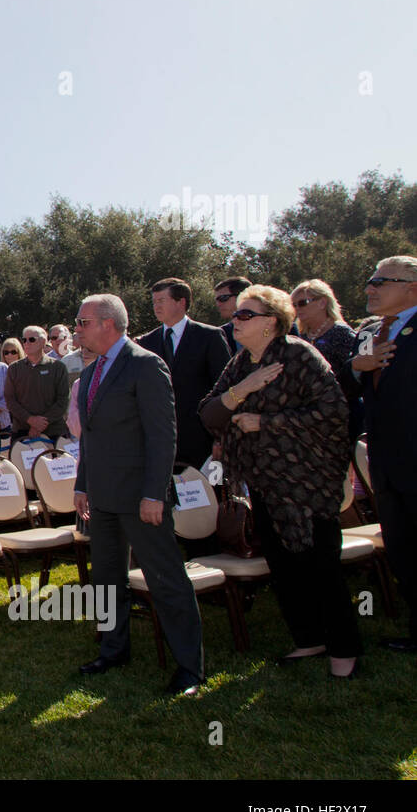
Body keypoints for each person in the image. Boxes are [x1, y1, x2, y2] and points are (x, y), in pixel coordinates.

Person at [200, 286, 359, 678]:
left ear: (271, 321)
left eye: (245, 315)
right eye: (235, 315)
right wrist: (244, 390)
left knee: (320, 565)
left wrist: (266, 423)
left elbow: (334, 411)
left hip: (307, 485)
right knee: (284, 565)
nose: (234, 321)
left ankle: (345, 649)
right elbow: (209, 413)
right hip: (263, 485)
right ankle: (308, 638)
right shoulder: (240, 364)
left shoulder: (299, 355)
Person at [72, 296, 205, 695]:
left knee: (165, 579)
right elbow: (90, 438)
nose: (77, 328)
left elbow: (163, 437)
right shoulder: (93, 371)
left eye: (83, 321)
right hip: (103, 498)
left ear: (108, 324)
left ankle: (190, 668)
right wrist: (82, 484)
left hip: (141, 498)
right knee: (108, 580)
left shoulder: (145, 365)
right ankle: (114, 650)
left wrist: (155, 495)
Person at [350, 256, 417, 654]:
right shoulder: (372, 331)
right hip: (388, 469)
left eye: (382, 281)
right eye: (370, 281)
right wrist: (357, 366)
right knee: (404, 551)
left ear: (412, 286)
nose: (371, 289)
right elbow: (348, 380)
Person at [137, 277, 232, 469]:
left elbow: (224, 389)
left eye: (161, 300)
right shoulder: (146, 343)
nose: (156, 306)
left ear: (181, 302)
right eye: (154, 301)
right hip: (160, 444)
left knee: (212, 494)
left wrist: (221, 438)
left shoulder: (209, 336)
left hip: (203, 442)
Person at [4, 326, 69, 440]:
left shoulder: (58, 367)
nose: (26, 343)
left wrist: (41, 423)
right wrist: (30, 420)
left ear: (43, 341)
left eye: (31, 339)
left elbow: (63, 400)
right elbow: (10, 400)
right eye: (24, 340)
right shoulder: (14, 369)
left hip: (54, 432)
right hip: (22, 431)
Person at [215, 276, 253, 355]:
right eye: (216, 300)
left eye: (223, 298)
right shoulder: (220, 334)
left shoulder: (270, 327)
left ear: (241, 296)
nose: (218, 304)